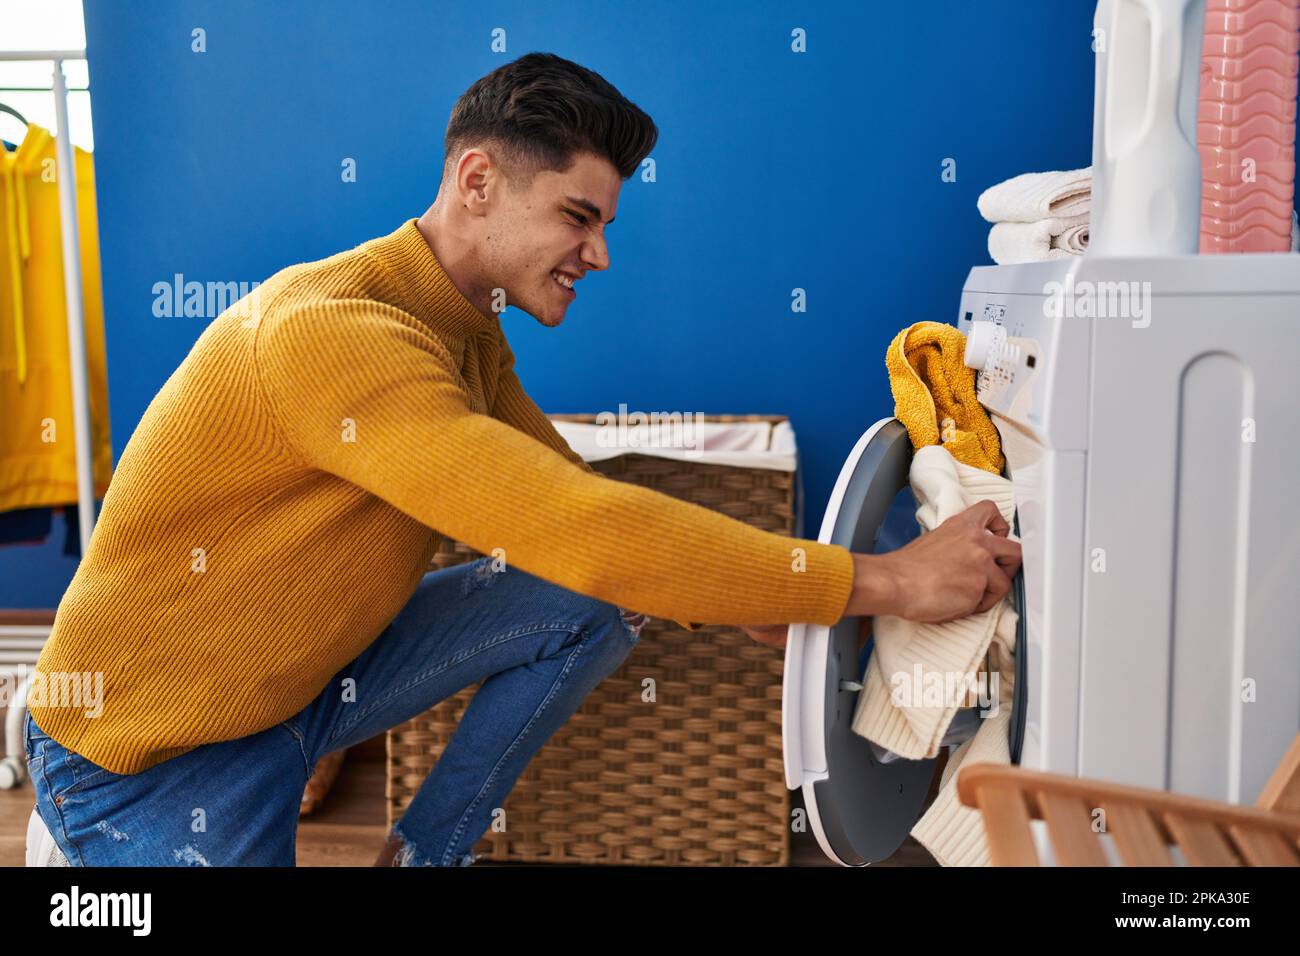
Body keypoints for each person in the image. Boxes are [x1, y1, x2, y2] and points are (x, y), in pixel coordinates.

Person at [24, 52, 1020, 867]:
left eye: (604, 224)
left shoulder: (462, 331)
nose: (599, 254)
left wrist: (770, 598)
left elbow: (580, 511)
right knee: (593, 561)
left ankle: (424, 855)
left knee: (592, 595)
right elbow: (585, 528)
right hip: (150, 757)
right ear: (477, 181)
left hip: (298, 686)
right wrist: (885, 578)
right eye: (578, 217)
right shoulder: (337, 336)